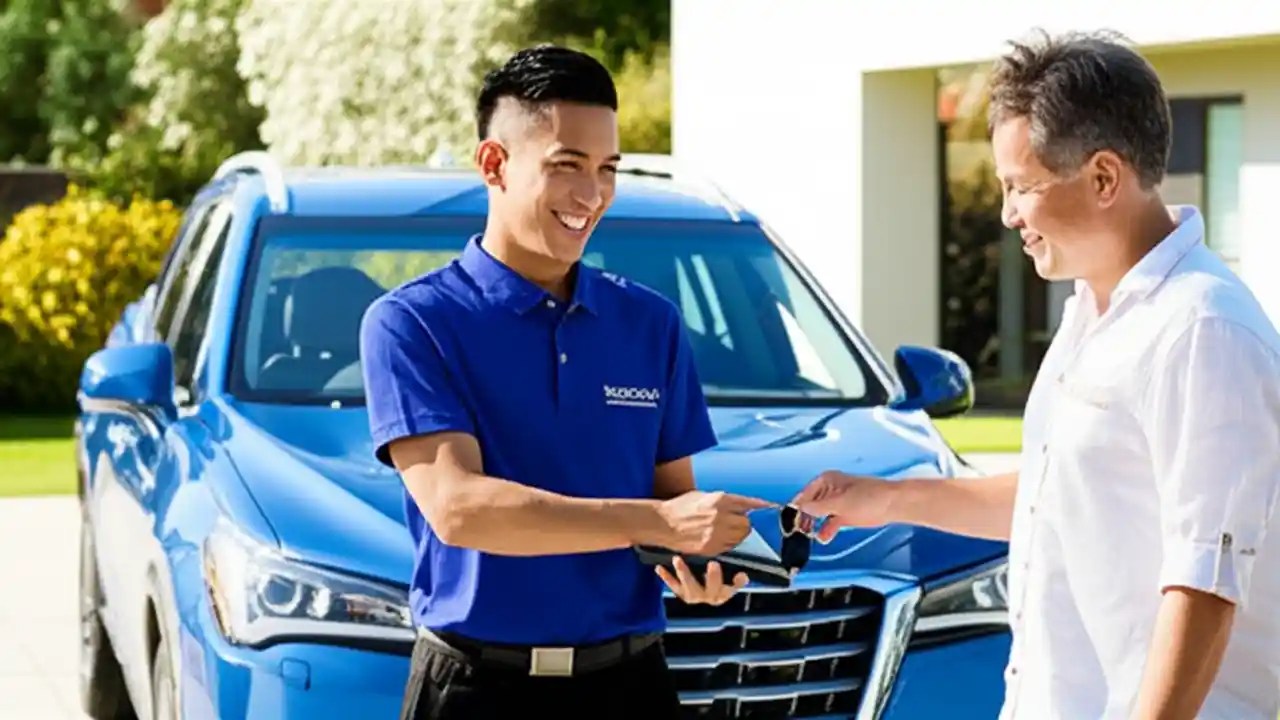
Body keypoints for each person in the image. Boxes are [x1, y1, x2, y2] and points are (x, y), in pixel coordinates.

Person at [793, 29, 1280, 720]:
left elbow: (1204, 583)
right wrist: (888, 498)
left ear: (1104, 177)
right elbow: (1062, 495)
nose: (1007, 214)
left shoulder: (1203, 329)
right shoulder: (1092, 313)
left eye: (1021, 186)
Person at [359, 45, 771, 720]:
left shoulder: (650, 324)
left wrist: (697, 563)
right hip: (473, 691)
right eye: (567, 167)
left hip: (630, 686)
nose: (592, 196)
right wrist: (662, 520)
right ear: (494, 163)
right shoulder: (411, 324)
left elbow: (673, 506)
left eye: (607, 169)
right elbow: (460, 509)